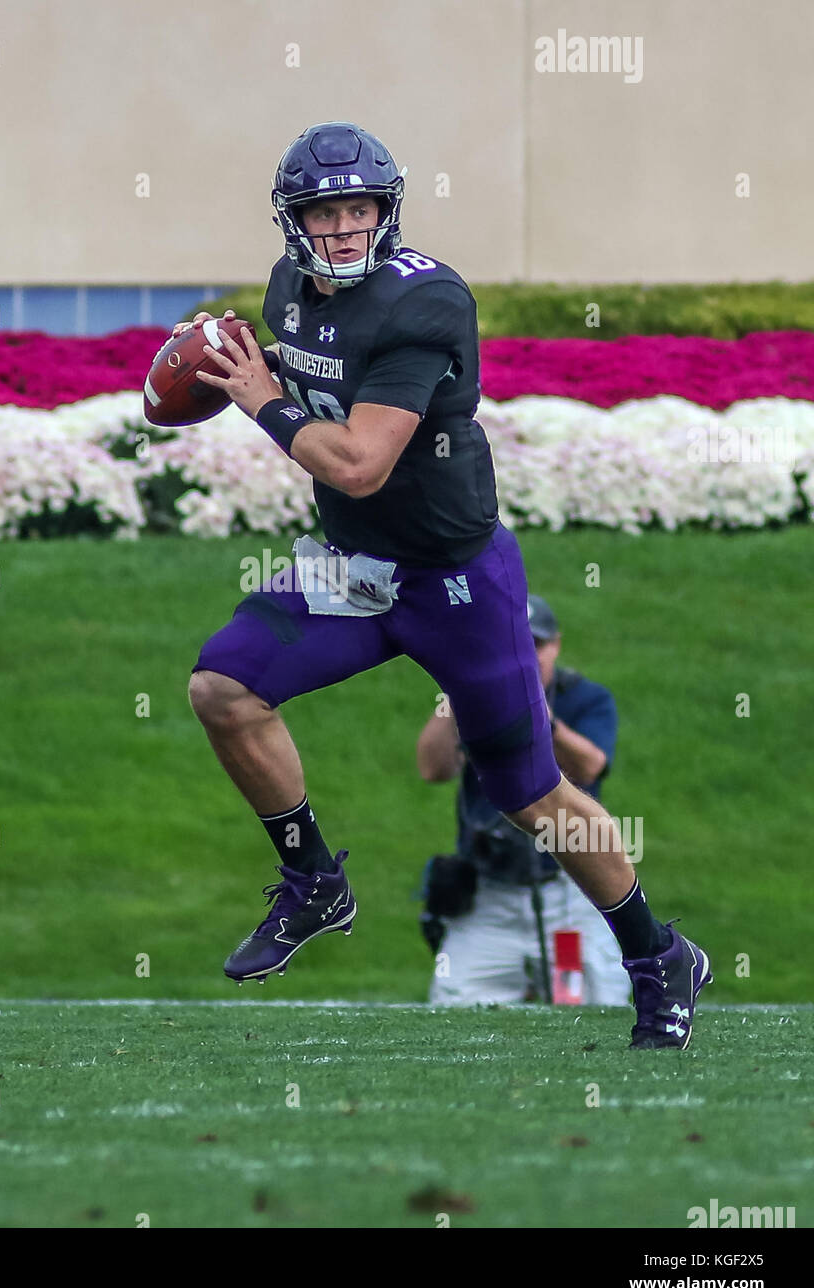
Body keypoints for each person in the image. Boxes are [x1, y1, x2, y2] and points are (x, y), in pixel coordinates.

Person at [181, 120, 711, 1048]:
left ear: (387, 211)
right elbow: (319, 416)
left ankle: (658, 956)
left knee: (531, 795)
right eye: (323, 211)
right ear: (291, 219)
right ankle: (314, 883)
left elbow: (357, 464)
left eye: (358, 209)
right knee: (224, 688)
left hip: (453, 576)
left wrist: (259, 399)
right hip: (351, 567)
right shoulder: (284, 290)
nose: (343, 229)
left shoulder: (426, 304)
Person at [417, 594, 632, 1007]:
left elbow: (590, 765)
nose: (526, 655)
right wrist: (457, 694)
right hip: (489, 895)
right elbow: (433, 768)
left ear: (556, 645)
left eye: (535, 645)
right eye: (513, 643)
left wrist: (536, 715)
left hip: (567, 894)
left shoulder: (584, 698)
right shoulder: (473, 697)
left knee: (590, 1003)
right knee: (454, 1006)